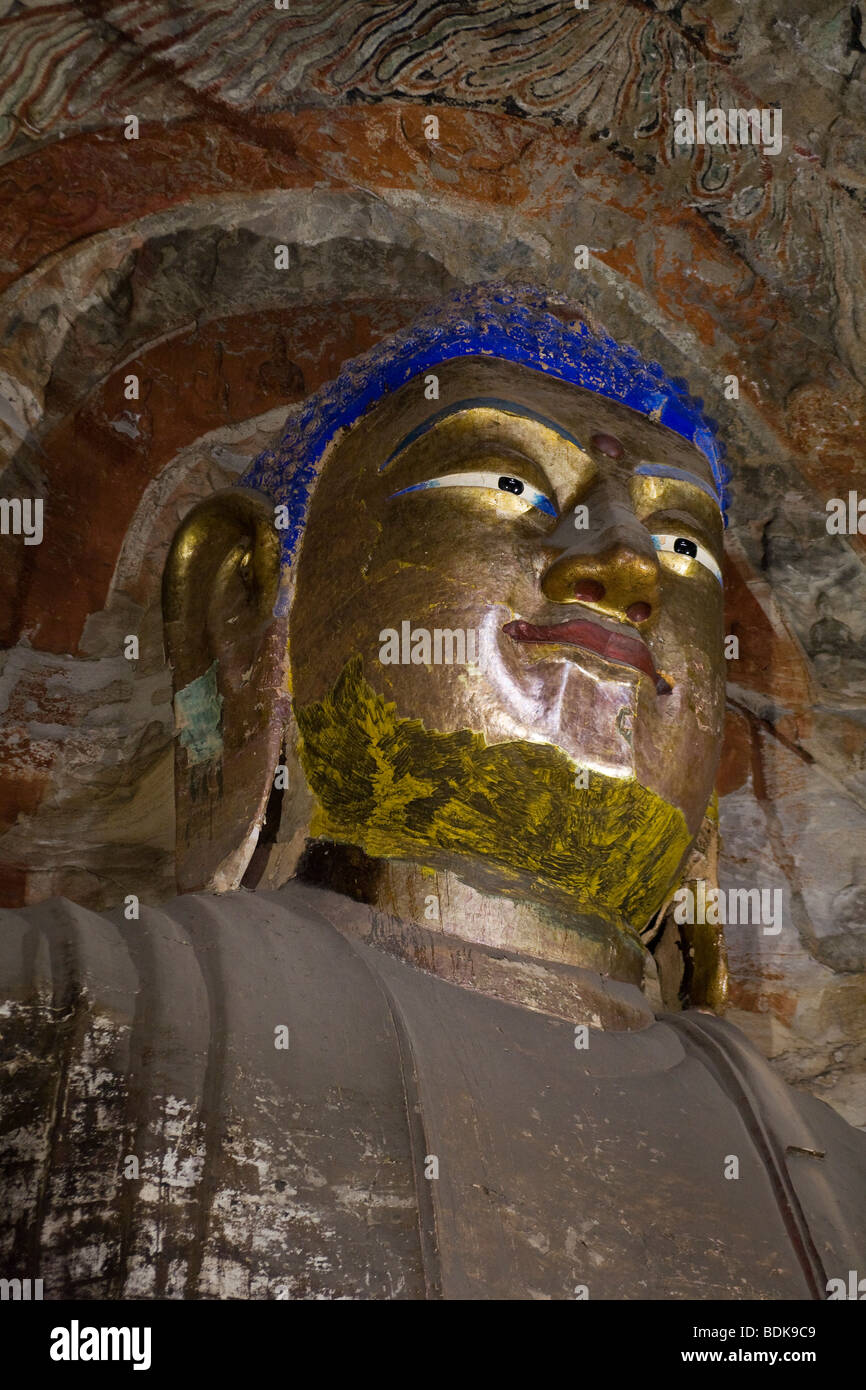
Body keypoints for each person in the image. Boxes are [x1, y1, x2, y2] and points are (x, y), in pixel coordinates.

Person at [1, 286, 863, 1300]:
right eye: (506, 481)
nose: (627, 561)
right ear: (242, 610)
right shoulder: (59, 1006)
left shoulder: (833, 1177)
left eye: (684, 548)